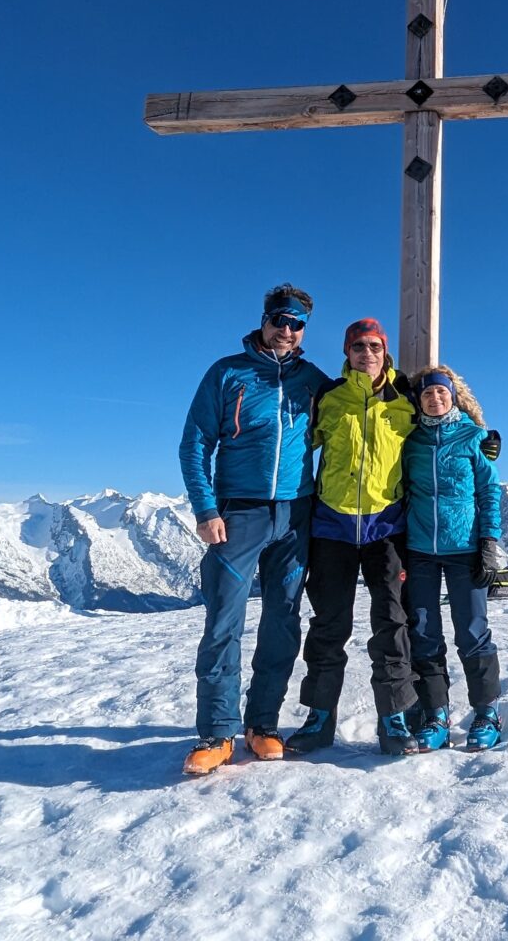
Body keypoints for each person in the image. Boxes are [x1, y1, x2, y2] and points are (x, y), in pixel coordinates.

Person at [176, 284, 330, 776]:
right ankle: (217, 732)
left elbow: (363, 408)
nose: (286, 330)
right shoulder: (228, 373)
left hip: (295, 515)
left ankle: (261, 724)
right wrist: (205, 509)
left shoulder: (313, 380)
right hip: (237, 514)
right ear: (264, 320)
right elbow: (194, 445)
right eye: (279, 319)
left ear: (305, 328)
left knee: (282, 621)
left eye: (296, 323)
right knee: (223, 622)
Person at [287, 318, 425, 757]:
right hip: (333, 527)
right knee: (329, 624)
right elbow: (293, 443)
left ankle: (394, 718)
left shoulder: (405, 398)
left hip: (387, 527)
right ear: (347, 352)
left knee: (392, 622)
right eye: (359, 346)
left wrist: (482, 442)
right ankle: (320, 717)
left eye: (375, 346)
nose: (367, 353)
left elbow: (446, 428)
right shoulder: (328, 397)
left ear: (386, 352)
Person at [402, 365, 508, 752]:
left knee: (472, 631)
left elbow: (489, 494)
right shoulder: (410, 440)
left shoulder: (474, 438)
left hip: (465, 550)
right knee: (424, 633)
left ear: (453, 396)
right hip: (419, 551)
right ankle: (436, 715)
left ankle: (487, 712)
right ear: (419, 399)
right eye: (428, 394)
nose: (435, 398)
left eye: (441, 393)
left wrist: (488, 543)